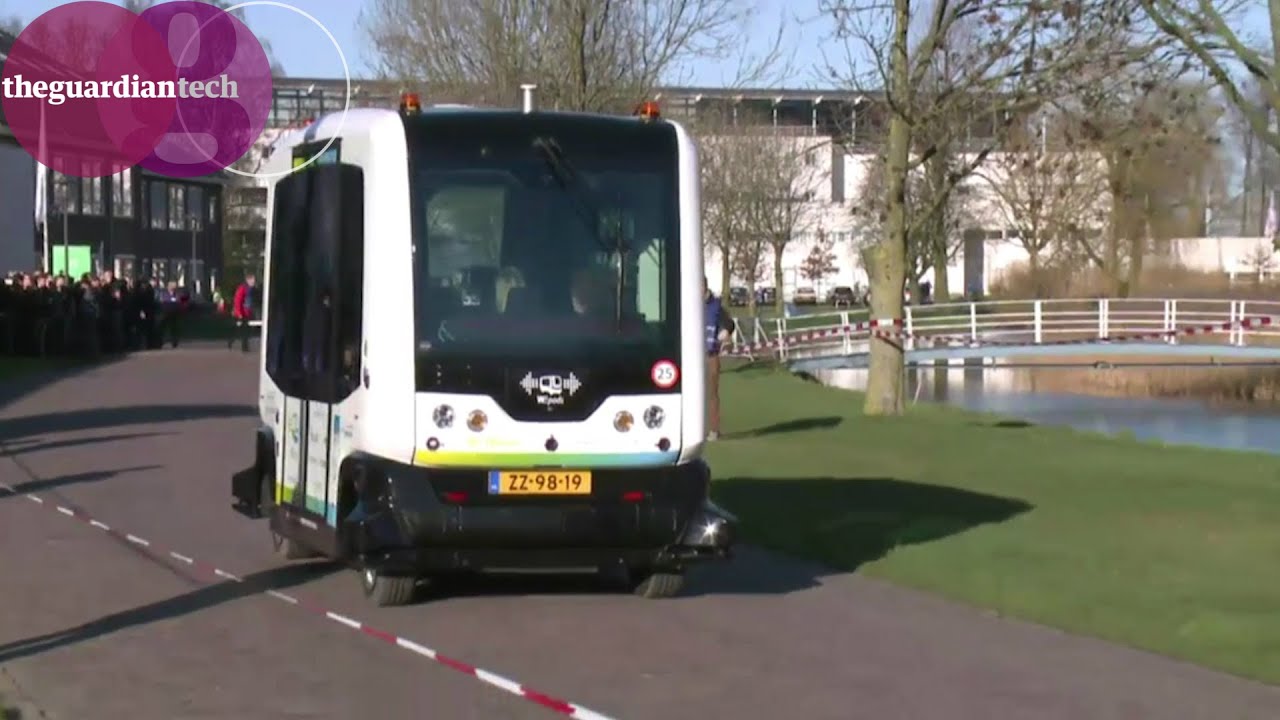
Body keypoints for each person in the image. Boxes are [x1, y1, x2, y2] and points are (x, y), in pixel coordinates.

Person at [704, 276, 734, 441]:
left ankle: (714, 430)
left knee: (712, 393)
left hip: (711, 354)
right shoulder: (689, 303)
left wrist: (726, 332)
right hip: (692, 356)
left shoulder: (716, 306)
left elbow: (729, 323)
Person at [229, 272, 259, 352]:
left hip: (247, 313)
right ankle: (236, 344)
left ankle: (243, 346)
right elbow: (237, 301)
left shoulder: (252, 289)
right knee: (241, 330)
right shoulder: (242, 288)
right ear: (247, 280)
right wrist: (239, 313)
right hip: (241, 313)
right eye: (252, 280)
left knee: (245, 330)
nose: (253, 282)